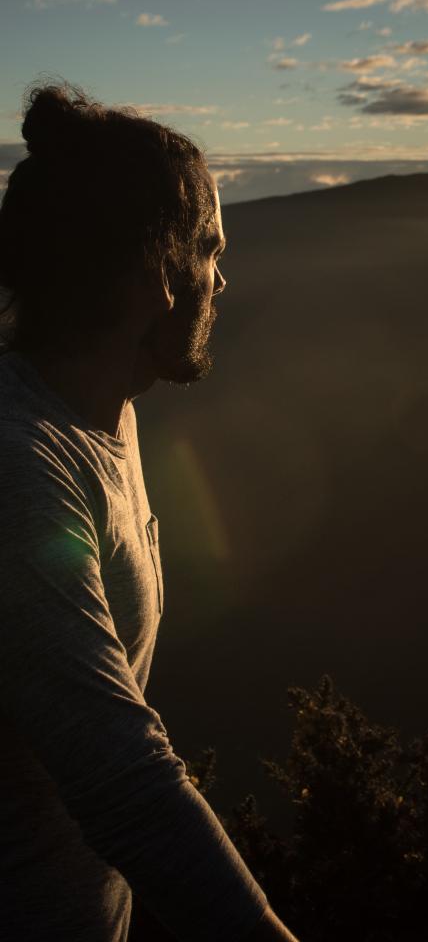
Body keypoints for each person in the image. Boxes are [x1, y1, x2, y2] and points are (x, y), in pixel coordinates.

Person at [0, 84, 299, 941]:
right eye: (209, 248)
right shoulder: (20, 472)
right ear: (155, 273)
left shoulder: (106, 412)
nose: (223, 276)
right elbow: (123, 782)